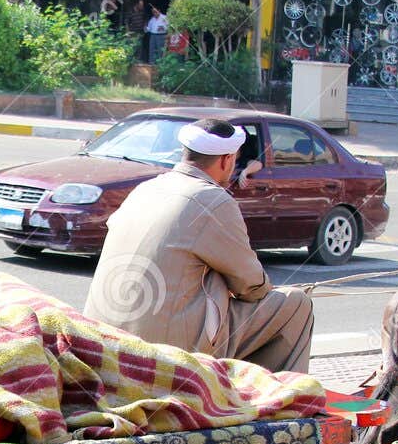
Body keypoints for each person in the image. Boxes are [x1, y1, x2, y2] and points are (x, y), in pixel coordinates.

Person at [84, 117, 315, 374]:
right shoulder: (213, 199)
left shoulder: (145, 189)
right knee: (295, 303)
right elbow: (252, 286)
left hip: (103, 339)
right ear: (227, 160)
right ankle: (275, 398)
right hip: (168, 352)